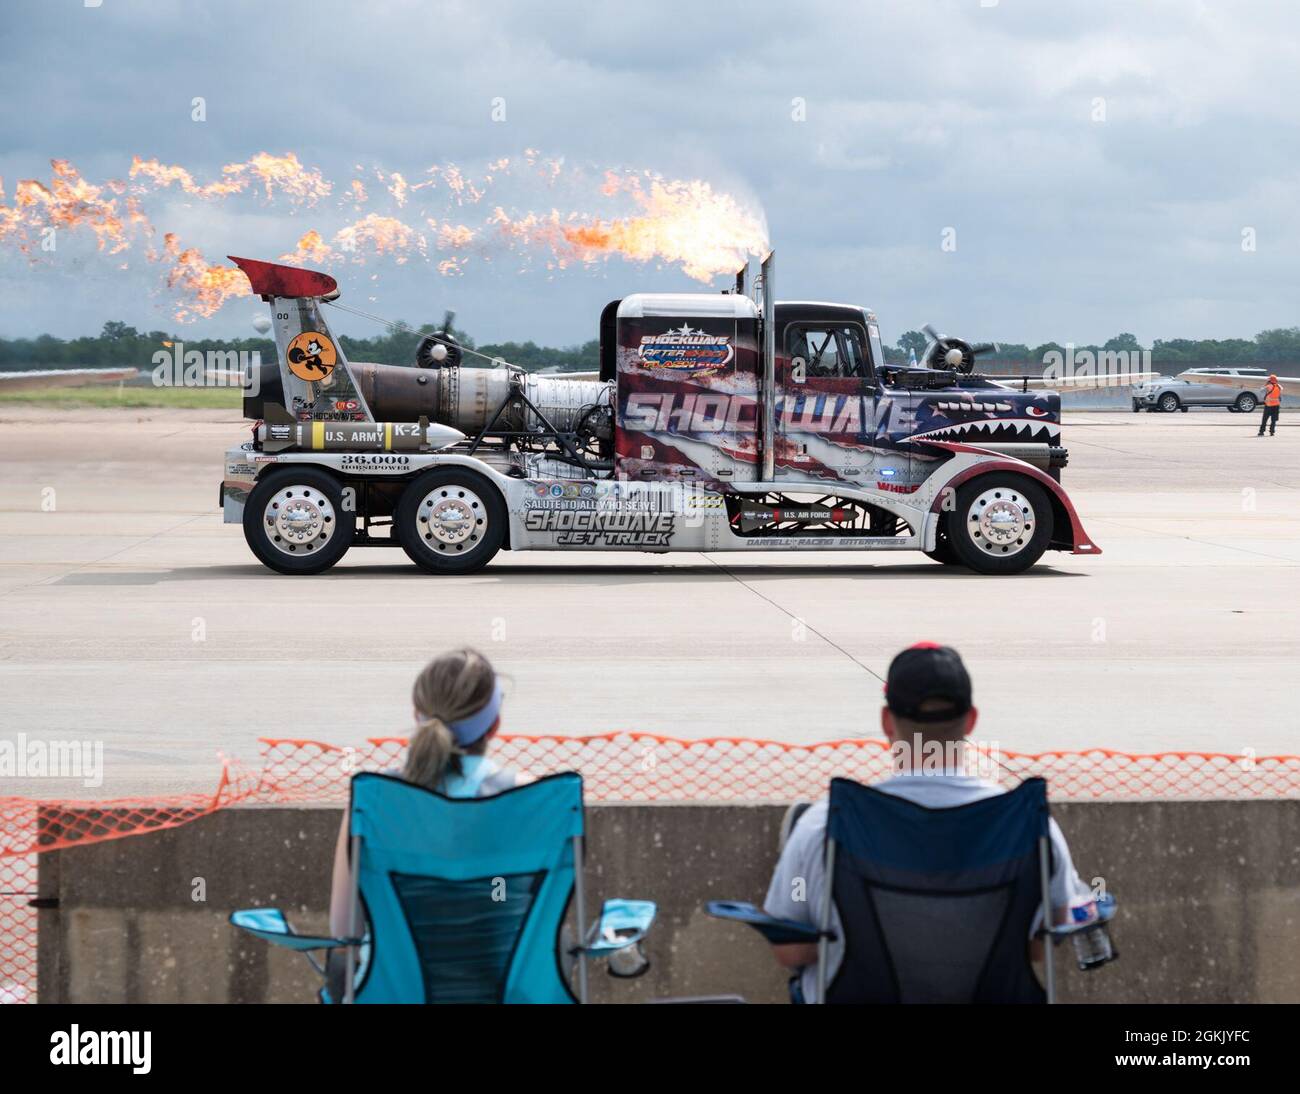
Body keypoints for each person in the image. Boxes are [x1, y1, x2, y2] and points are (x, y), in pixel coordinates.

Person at [762, 642, 1093, 1003]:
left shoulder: (824, 825)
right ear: (971, 720)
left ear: (887, 722)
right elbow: (1044, 942)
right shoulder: (1031, 827)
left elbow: (790, 950)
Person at [327, 647, 520, 938]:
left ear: (417, 715)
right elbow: (506, 903)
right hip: (504, 979)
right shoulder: (524, 797)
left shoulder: (372, 800)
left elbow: (343, 931)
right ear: (494, 726)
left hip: (394, 981)